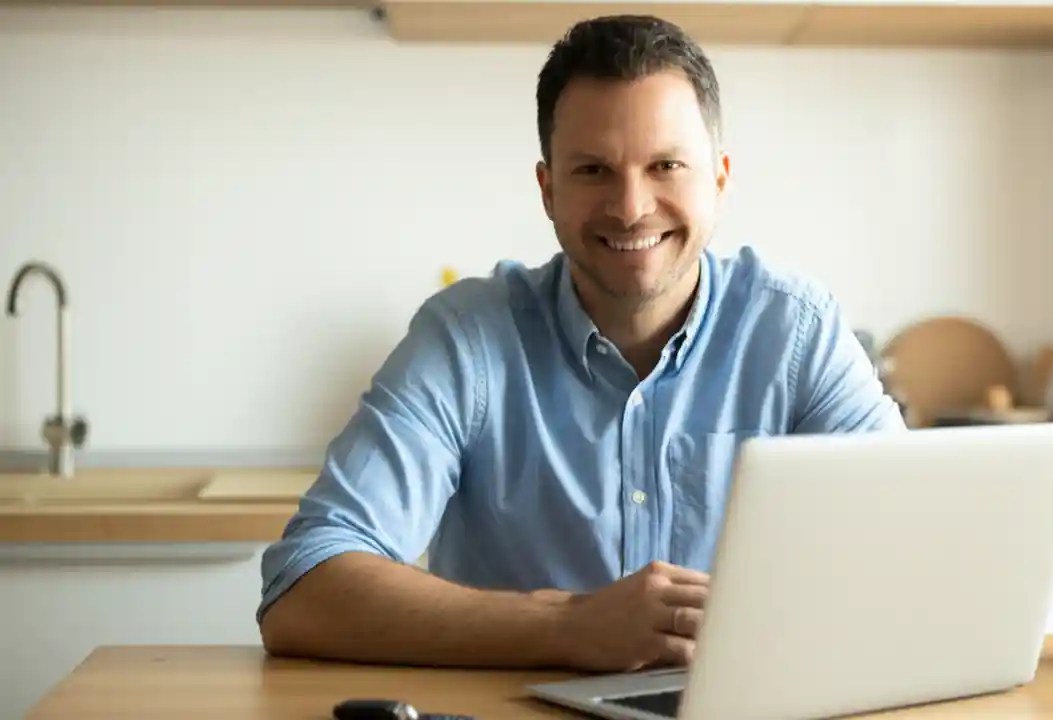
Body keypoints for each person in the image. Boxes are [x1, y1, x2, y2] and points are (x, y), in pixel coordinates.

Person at [257, 13, 904, 674]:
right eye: (594, 169)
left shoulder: (796, 333)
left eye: (665, 166)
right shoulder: (468, 340)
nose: (630, 207)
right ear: (549, 189)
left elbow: (916, 541)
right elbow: (303, 586)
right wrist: (566, 625)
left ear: (718, 178)